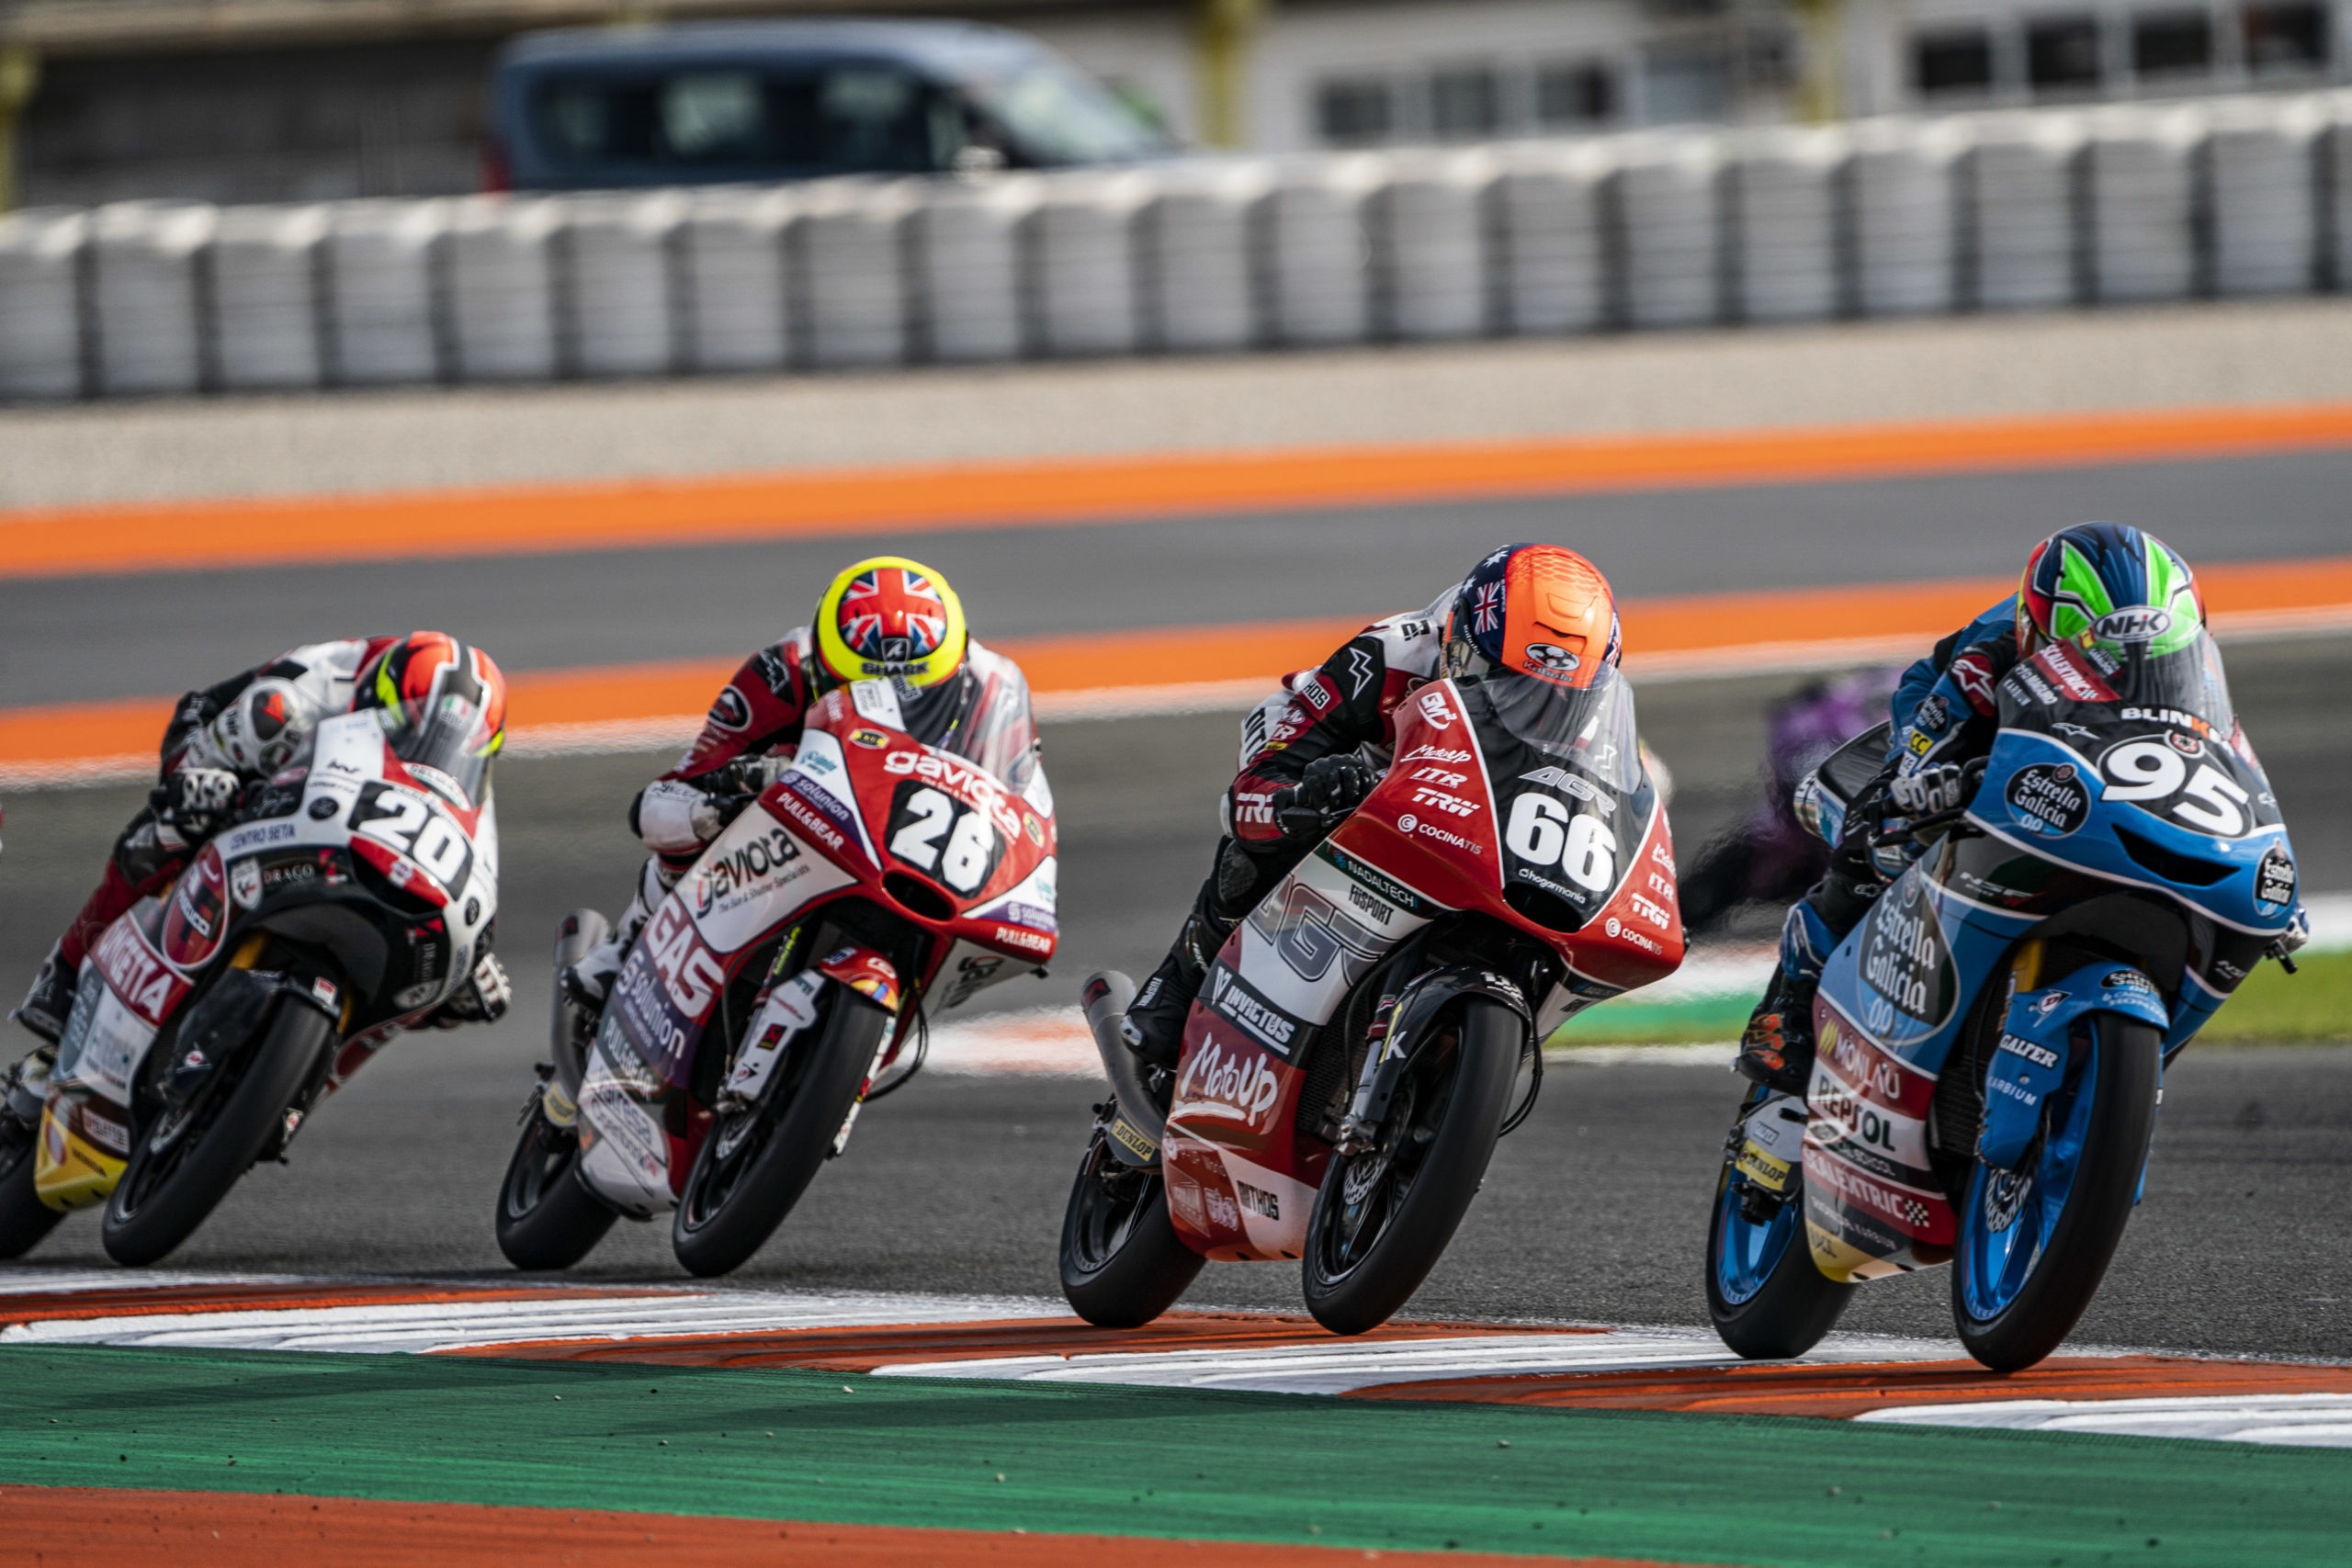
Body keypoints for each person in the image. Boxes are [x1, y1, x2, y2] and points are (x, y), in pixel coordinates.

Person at [1734, 522, 2301, 1094]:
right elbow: (1925, 756)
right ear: (2039, 628)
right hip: (1977, 724)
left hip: (2113, 752)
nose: (2116, 659)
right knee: (1876, 827)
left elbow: (2227, 760)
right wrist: (1924, 788)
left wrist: (2270, 869)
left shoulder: (2191, 665)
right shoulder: (1988, 653)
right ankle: (1787, 1011)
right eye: (2093, 645)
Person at [1121, 542, 1623, 1066]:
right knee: (1263, 844)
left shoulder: (1599, 723)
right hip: (1358, 771)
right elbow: (1249, 794)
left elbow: (1631, 808)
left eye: (1551, 695)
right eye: (1501, 679)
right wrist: (1300, 799)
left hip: (1480, 807)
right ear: (1457, 641)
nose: (1523, 707)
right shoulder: (1388, 657)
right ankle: (1178, 986)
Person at [562, 553, 1038, 1010]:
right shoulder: (779, 672)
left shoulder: (991, 689)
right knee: (690, 823)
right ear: (825, 664)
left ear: (951, 669)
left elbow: (1021, 795)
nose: (893, 705)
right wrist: (723, 799)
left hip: (910, 839)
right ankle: (628, 946)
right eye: (863, 687)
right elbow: (670, 792)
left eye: (915, 692)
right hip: (794, 820)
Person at [10, 632, 514, 1055]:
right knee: (180, 818)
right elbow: (193, 758)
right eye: (404, 731)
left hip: (359, 824)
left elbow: (476, 889)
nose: (423, 754)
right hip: (231, 735)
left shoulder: (475, 794)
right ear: (372, 699)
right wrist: (203, 781)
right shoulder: (312, 686)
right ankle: (69, 966)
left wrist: (464, 971)